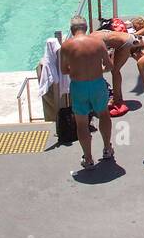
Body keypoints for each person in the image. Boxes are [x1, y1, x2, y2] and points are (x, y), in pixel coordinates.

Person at [58, 16, 115, 169]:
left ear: (72, 30)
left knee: (81, 122)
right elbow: (109, 66)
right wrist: (99, 69)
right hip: (97, 84)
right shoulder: (98, 42)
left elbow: (64, 70)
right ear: (87, 28)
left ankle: (88, 158)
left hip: (79, 87)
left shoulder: (66, 46)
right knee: (103, 114)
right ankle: (107, 149)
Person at [92, 28, 139, 114]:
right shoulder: (93, 35)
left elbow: (105, 65)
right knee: (114, 70)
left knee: (114, 70)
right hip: (126, 40)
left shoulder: (93, 43)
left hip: (126, 43)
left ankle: (117, 99)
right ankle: (117, 97)